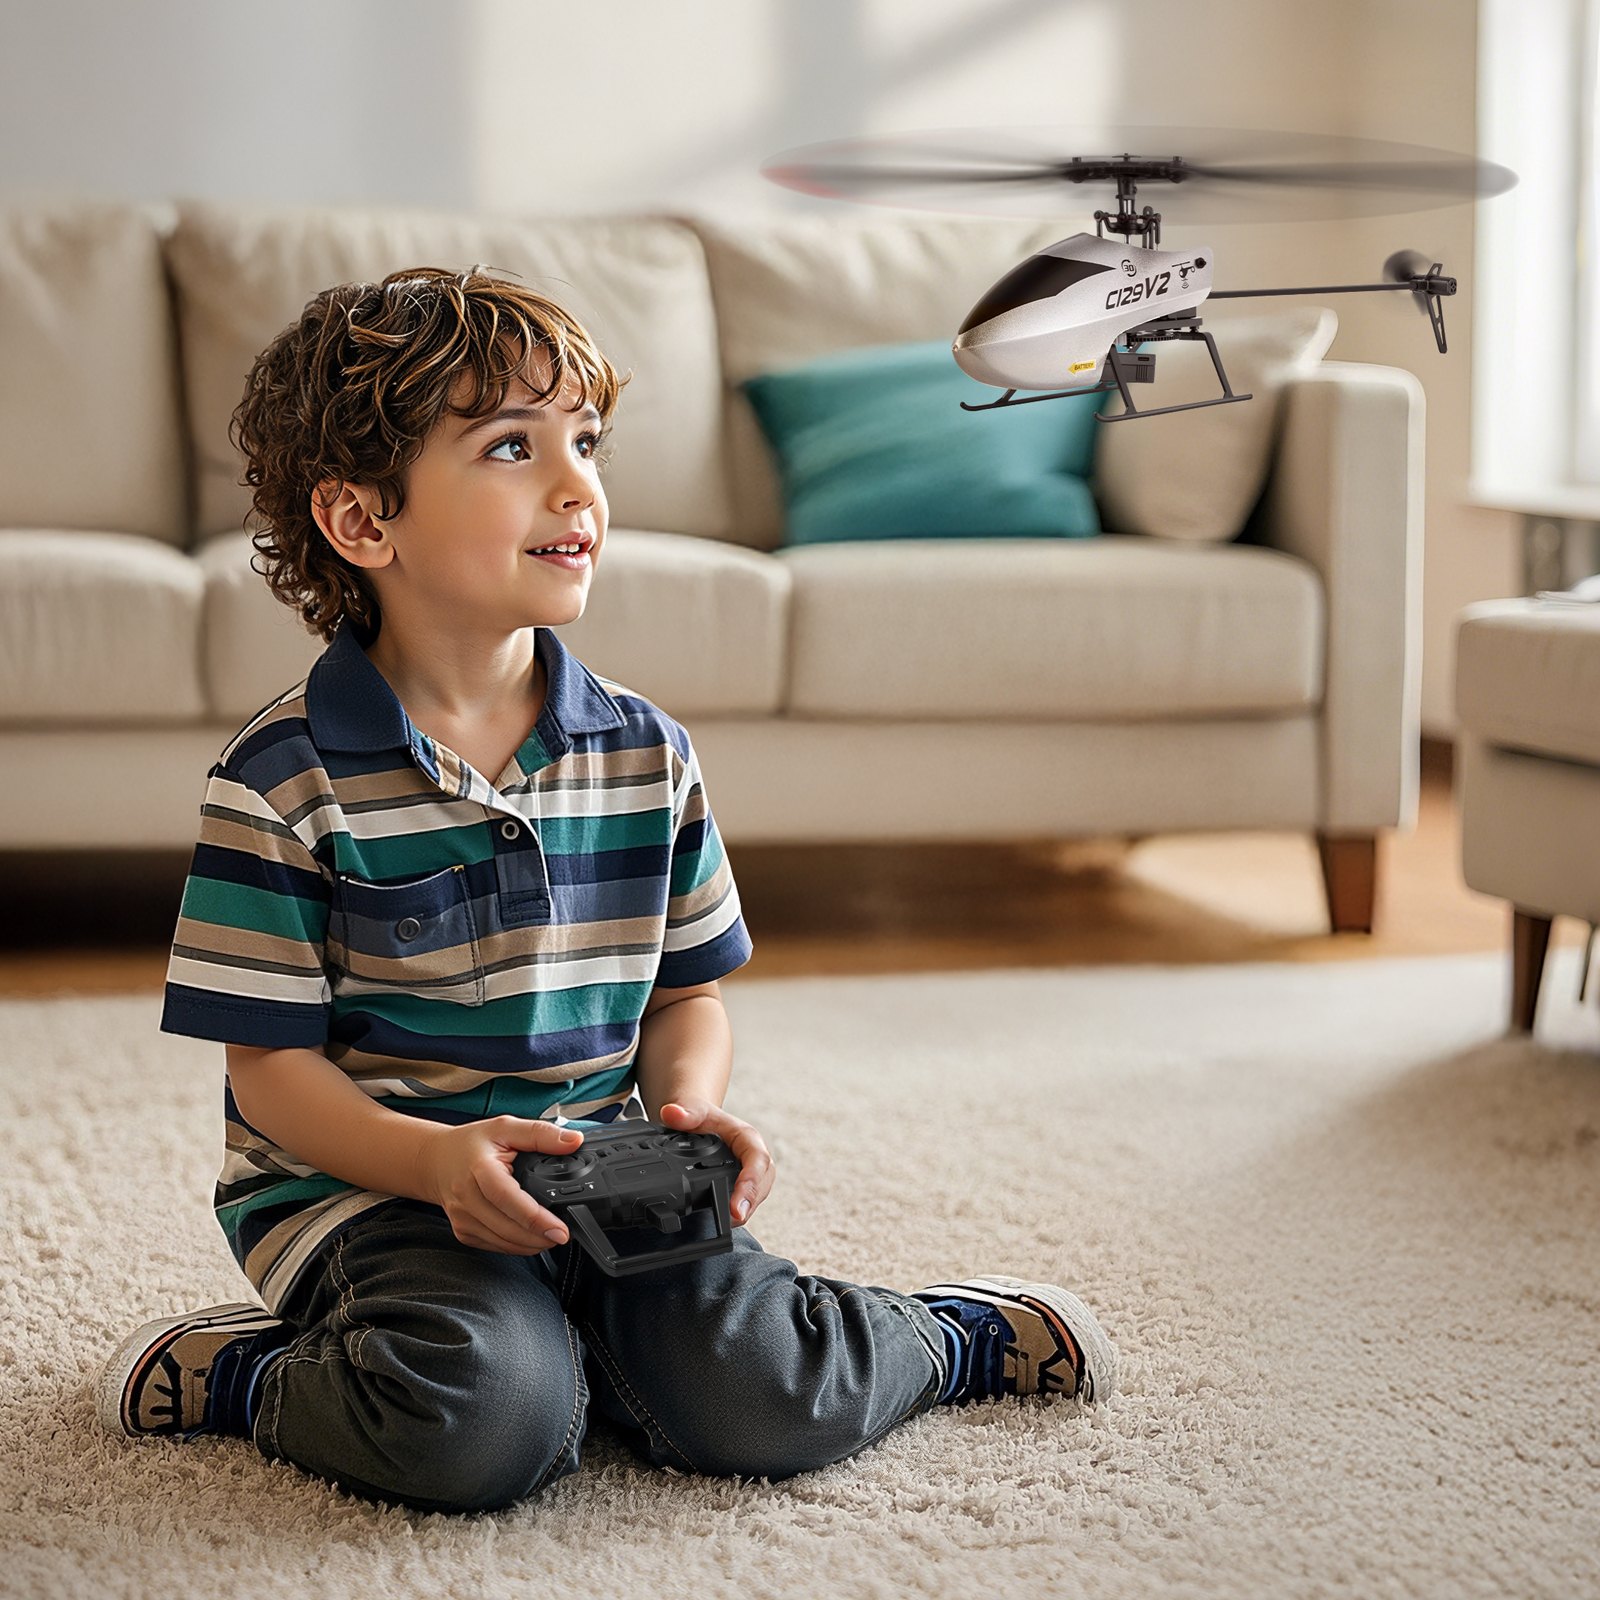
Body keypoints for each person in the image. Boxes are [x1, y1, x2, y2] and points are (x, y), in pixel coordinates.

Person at [93, 265, 1117, 1514]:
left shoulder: (646, 752)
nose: (577, 484)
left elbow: (690, 995)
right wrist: (437, 1164)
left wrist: (687, 1110)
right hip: (371, 1189)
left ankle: (944, 1333)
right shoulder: (279, 780)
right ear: (363, 522)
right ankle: (255, 1377)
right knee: (480, 1434)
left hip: (602, 1167)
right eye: (512, 447)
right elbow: (271, 1078)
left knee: (763, 1396)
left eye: (584, 441)